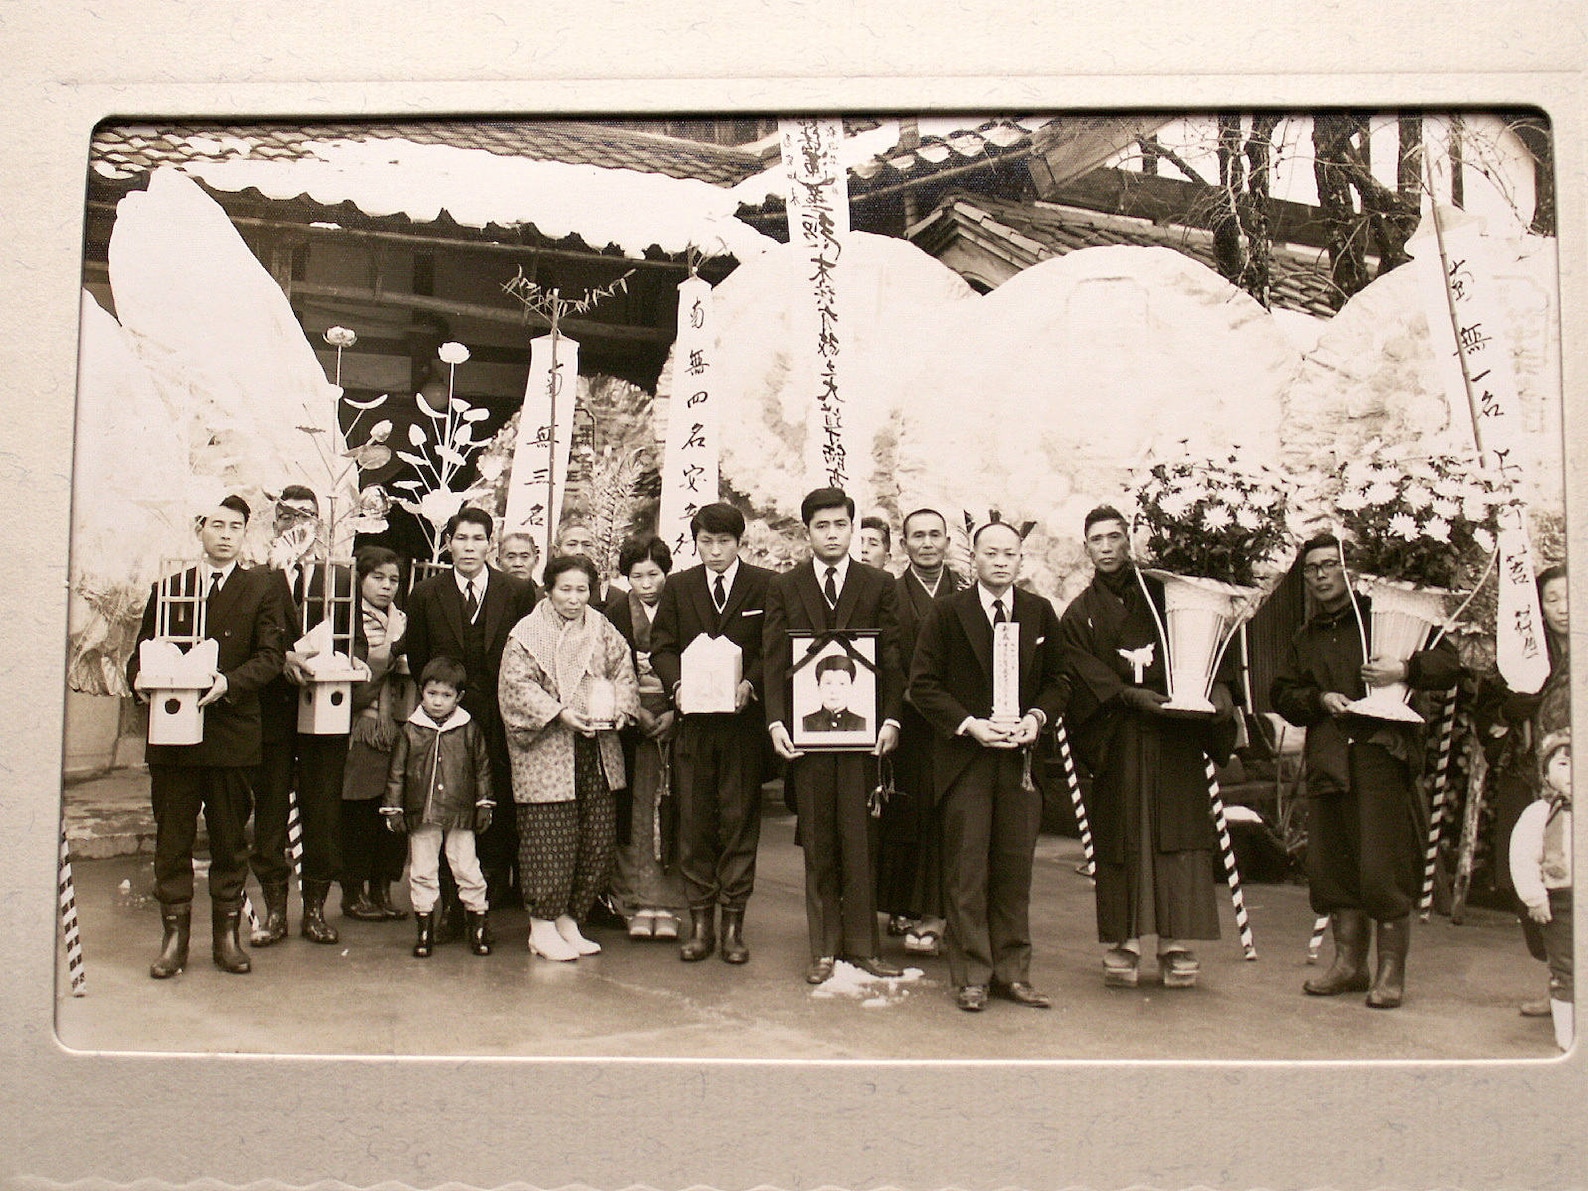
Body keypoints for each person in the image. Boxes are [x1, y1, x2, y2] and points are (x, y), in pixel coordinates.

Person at [1270, 533, 1460, 1009]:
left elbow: (1448, 663)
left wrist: (1404, 669)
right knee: (1332, 867)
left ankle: (1391, 971)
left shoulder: (1386, 618)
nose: (1321, 575)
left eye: (1330, 565)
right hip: (1329, 759)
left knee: (1382, 868)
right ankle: (1349, 965)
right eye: (1312, 568)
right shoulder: (1305, 636)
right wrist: (1318, 700)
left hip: (1381, 759)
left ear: (1349, 571)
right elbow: (1283, 693)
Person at [1058, 505, 1238, 990]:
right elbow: (1078, 671)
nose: (1108, 547)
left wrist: (1210, 693)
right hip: (1118, 736)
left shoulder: (1163, 596)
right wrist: (1127, 695)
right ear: (1087, 548)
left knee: (1177, 833)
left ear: (1129, 541)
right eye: (1098, 540)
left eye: (1116, 537)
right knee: (1124, 837)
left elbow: (1200, 646)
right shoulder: (1080, 613)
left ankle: (1176, 942)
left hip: (1174, 731)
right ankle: (1126, 942)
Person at [909, 519, 1069, 1011]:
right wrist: (968, 724)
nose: (1000, 561)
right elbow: (923, 685)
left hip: (1020, 761)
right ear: (972, 558)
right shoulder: (948, 613)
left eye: (1010, 554)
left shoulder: (1040, 613)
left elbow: (1061, 679)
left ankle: (1013, 973)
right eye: (991, 553)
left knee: (1014, 870)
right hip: (967, 762)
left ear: (1022, 560)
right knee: (967, 870)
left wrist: (1037, 718)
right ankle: (973, 975)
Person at [127, 495, 287, 977]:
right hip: (174, 738)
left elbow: (271, 656)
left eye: (234, 527)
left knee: (229, 840)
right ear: (200, 529)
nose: (224, 534)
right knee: (172, 841)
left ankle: (227, 938)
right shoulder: (170, 587)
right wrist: (140, 678)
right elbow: (140, 652)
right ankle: (174, 939)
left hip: (231, 734)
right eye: (216, 525)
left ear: (245, 534)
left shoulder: (262, 588)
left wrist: (228, 683)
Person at [764, 487, 905, 984]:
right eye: (821, 526)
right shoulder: (785, 587)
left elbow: (892, 661)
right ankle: (822, 948)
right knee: (820, 840)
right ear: (808, 533)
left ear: (852, 527)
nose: (831, 534)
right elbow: (775, 662)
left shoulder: (879, 584)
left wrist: (891, 720)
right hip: (807, 740)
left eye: (840, 525)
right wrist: (776, 722)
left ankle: (865, 947)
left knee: (862, 839)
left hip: (865, 739)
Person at [650, 502, 775, 964]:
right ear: (695, 542)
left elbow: (774, 646)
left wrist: (752, 683)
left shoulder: (765, 584)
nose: (716, 551)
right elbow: (661, 647)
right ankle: (700, 922)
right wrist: (676, 684)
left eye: (724, 542)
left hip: (742, 728)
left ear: (740, 542)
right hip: (695, 727)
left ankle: (734, 923)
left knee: (739, 821)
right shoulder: (680, 586)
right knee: (695, 822)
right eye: (706, 542)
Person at [498, 553, 639, 961]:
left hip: (596, 744)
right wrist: (560, 713)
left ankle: (570, 920)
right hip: (549, 747)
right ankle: (542, 925)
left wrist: (619, 709)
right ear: (549, 589)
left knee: (595, 836)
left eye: (582, 589)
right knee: (549, 838)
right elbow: (517, 687)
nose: (574, 599)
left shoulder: (602, 628)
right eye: (565, 589)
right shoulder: (528, 632)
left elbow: (623, 672)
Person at [406, 507, 538, 919]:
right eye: (460, 538)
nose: (469, 547)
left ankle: (488, 902)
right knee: (447, 804)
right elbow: (417, 659)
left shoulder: (514, 592)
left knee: (494, 798)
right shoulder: (426, 595)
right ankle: (446, 905)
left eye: (477, 539)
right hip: (448, 720)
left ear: (489, 544)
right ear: (448, 543)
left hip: (501, 717)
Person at [249, 485, 361, 947]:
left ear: (320, 524)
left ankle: (315, 908)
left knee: (322, 810)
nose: (299, 523)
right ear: (275, 522)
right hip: (272, 711)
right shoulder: (258, 577)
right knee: (271, 810)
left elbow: (354, 640)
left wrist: (342, 664)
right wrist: (283, 662)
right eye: (289, 515)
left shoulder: (337, 579)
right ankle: (275, 909)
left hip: (325, 713)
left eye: (308, 516)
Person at [1476, 563, 1570, 1017]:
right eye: (1551, 600)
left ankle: (1571, 986)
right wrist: (1511, 709)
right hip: (1527, 780)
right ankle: (1558, 979)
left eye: (1570, 597)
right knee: (1525, 878)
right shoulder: (1523, 658)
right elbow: (1487, 713)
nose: (1562, 608)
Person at [878, 507, 963, 953]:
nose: (927, 543)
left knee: (956, 818)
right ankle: (911, 908)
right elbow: (885, 653)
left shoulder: (967, 591)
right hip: (909, 721)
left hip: (958, 724)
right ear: (904, 544)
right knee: (913, 818)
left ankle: (949, 914)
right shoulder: (890, 593)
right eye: (918, 536)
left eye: (935, 535)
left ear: (948, 541)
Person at [605, 535, 690, 941]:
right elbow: (603, 668)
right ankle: (634, 901)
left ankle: (670, 904)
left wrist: (677, 710)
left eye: (654, 574)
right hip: (631, 720)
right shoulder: (614, 611)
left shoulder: (685, 605)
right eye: (636, 575)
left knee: (672, 809)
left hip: (678, 715)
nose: (646, 583)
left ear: (666, 573)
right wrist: (631, 707)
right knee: (633, 814)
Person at [383, 657, 495, 958]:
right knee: (422, 869)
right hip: (423, 812)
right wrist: (394, 808)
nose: (437, 702)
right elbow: (397, 772)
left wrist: (484, 803)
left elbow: (482, 767)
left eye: (446, 696)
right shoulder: (411, 730)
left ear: (458, 697)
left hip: (459, 811)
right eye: (432, 694)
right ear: (421, 692)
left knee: (467, 867)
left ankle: (478, 926)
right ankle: (424, 930)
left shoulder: (469, 729)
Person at [338, 546, 413, 923]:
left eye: (394, 580)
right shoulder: (349, 620)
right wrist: (390, 652)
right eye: (378, 578)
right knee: (360, 812)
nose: (386, 587)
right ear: (360, 579)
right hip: (364, 726)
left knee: (394, 808)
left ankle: (383, 887)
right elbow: (360, 677)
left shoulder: (400, 619)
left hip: (399, 725)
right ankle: (353, 892)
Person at [1508, 728, 1573, 1051]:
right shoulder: (1540, 815)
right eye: (1563, 764)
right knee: (1565, 967)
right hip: (1560, 902)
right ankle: (1567, 1035)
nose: (1574, 772)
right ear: (1546, 774)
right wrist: (1535, 897)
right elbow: (1522, 858)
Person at [802, 655, 869, 732]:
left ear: (851, 687)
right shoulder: (805, 724)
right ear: (818, 686)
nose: (834, 690)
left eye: (842, 683)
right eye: (828, 683)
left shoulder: (862, 724)